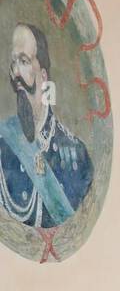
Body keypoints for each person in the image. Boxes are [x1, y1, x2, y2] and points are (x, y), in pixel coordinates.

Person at [1, 23, 94, 228]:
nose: (15, 73)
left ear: (43, 76)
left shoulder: (77, 156)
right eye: (13, 63)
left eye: (24, 61)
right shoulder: (2, 143)